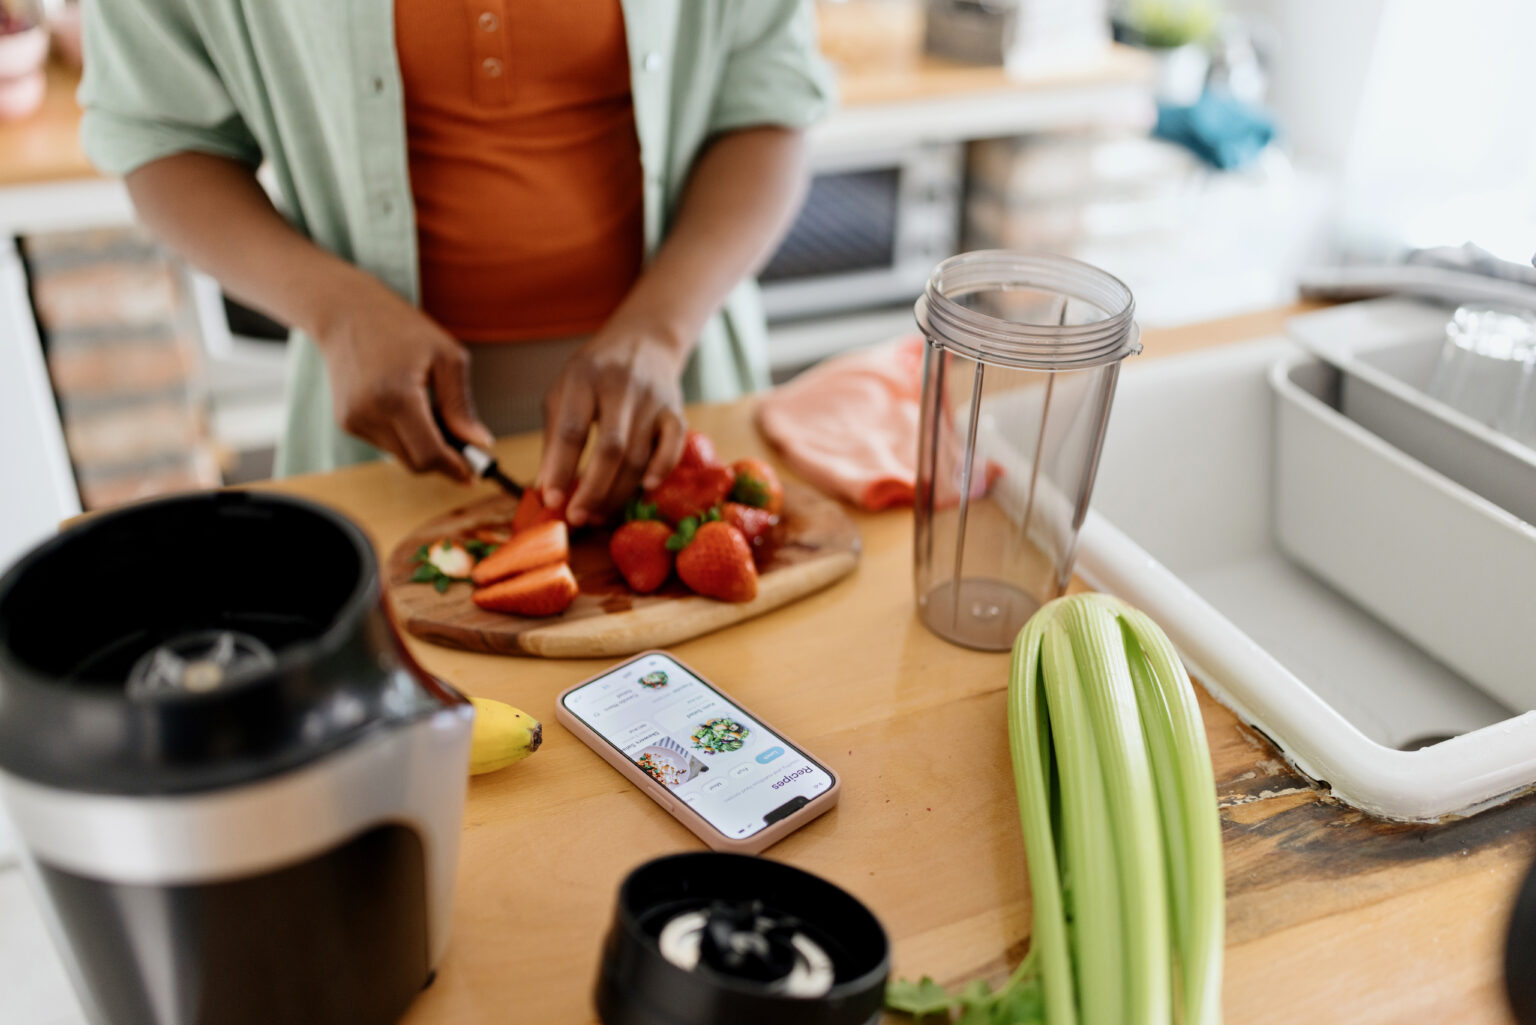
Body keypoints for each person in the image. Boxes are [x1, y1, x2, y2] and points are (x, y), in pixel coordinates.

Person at [78, 0, 832, 525]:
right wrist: (336, 310)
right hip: (381, 435)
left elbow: (767, 107)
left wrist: (662, 329)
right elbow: (159, 135)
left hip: (680, 390)